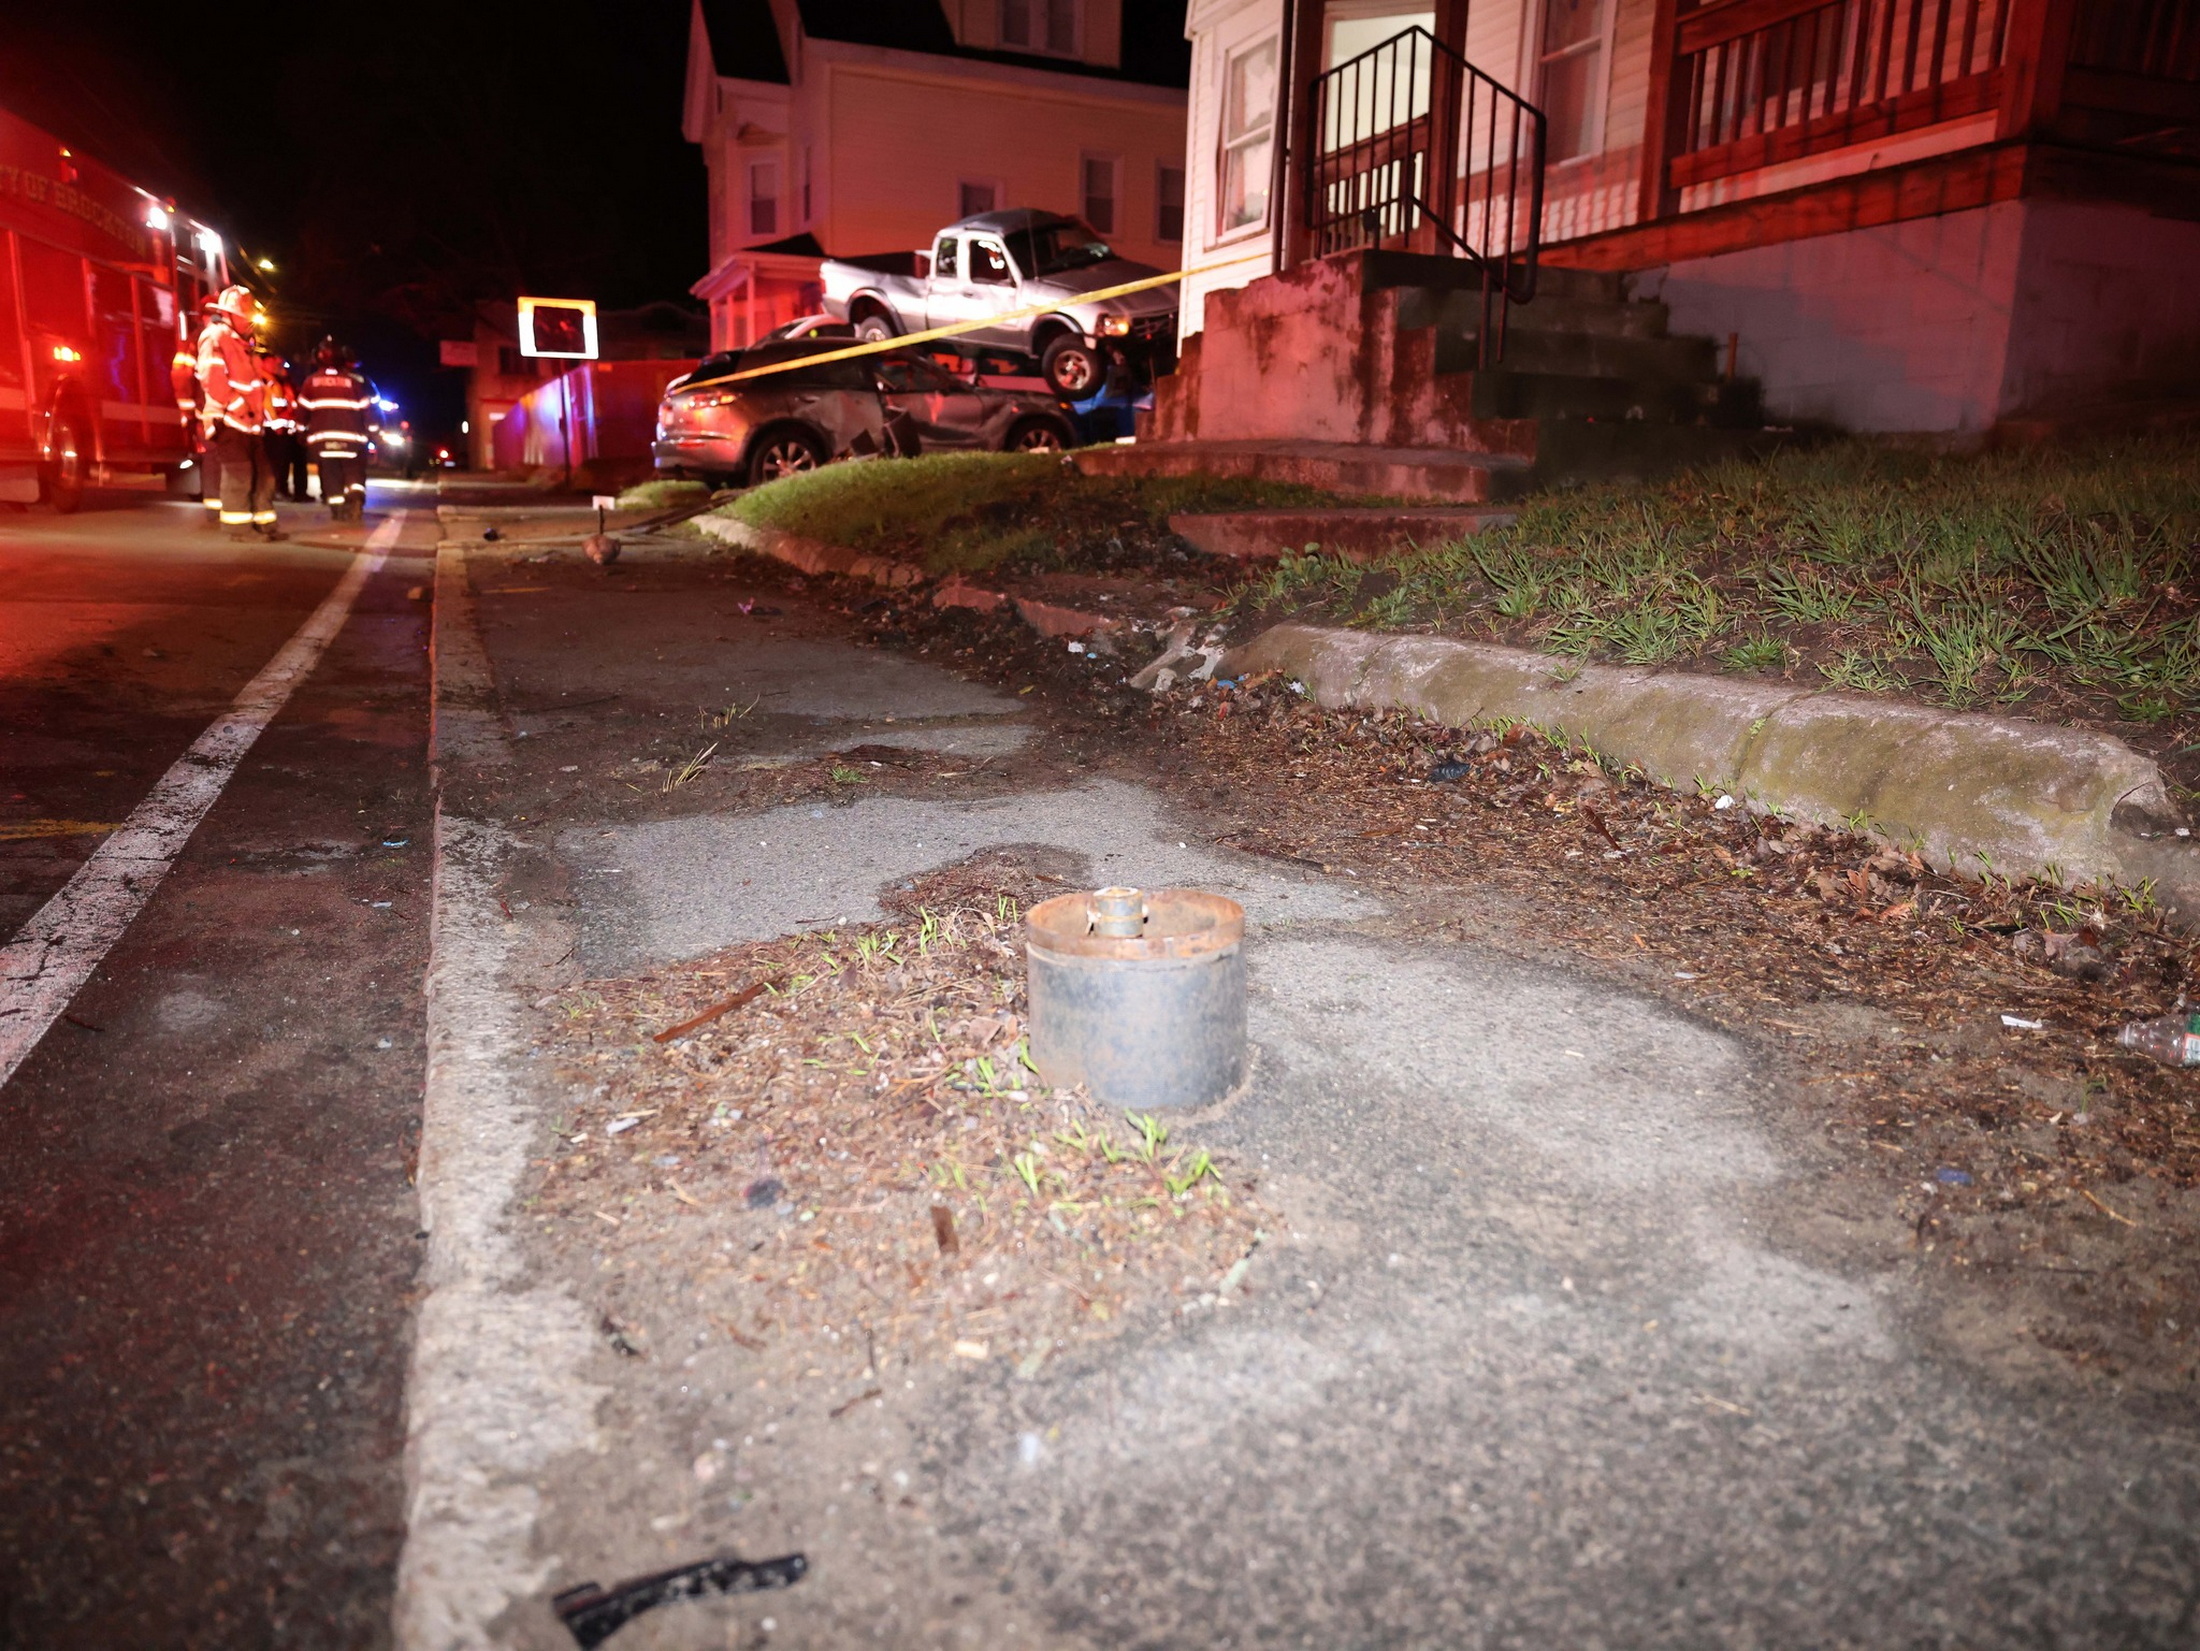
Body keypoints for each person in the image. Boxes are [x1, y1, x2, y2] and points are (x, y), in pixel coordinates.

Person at [194, 285, 282, 541]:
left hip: (250, 423)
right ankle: (239, 530)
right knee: (239, 474)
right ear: (231, 314)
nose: (250, 321)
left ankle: (263, 524)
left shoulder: (245, 344)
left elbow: (253, 384)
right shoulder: (216, 336)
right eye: (245, 315)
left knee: (262, 475)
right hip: (228, 420)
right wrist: (236, 405)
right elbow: (211, 378)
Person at [299, 337, 373, 521]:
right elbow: (367, 408)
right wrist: (373, 430)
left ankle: (337, 508)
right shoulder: (353, 381)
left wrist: (301, 431)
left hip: (323, 439)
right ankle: (355, 500)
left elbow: (302, 411)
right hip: (353, 439)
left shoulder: (311, 382)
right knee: (354, 471)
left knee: (330, 473)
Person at [259, 350, 305, 500]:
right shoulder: (265, 381)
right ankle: (277, 490)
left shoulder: (280, 381)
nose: (276, 365)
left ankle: (282, 489)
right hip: (271, 428)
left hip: (283, 428)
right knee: (276, 463)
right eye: (273, 362)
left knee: (283, 461)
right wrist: (275, 423)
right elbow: (267, 405)